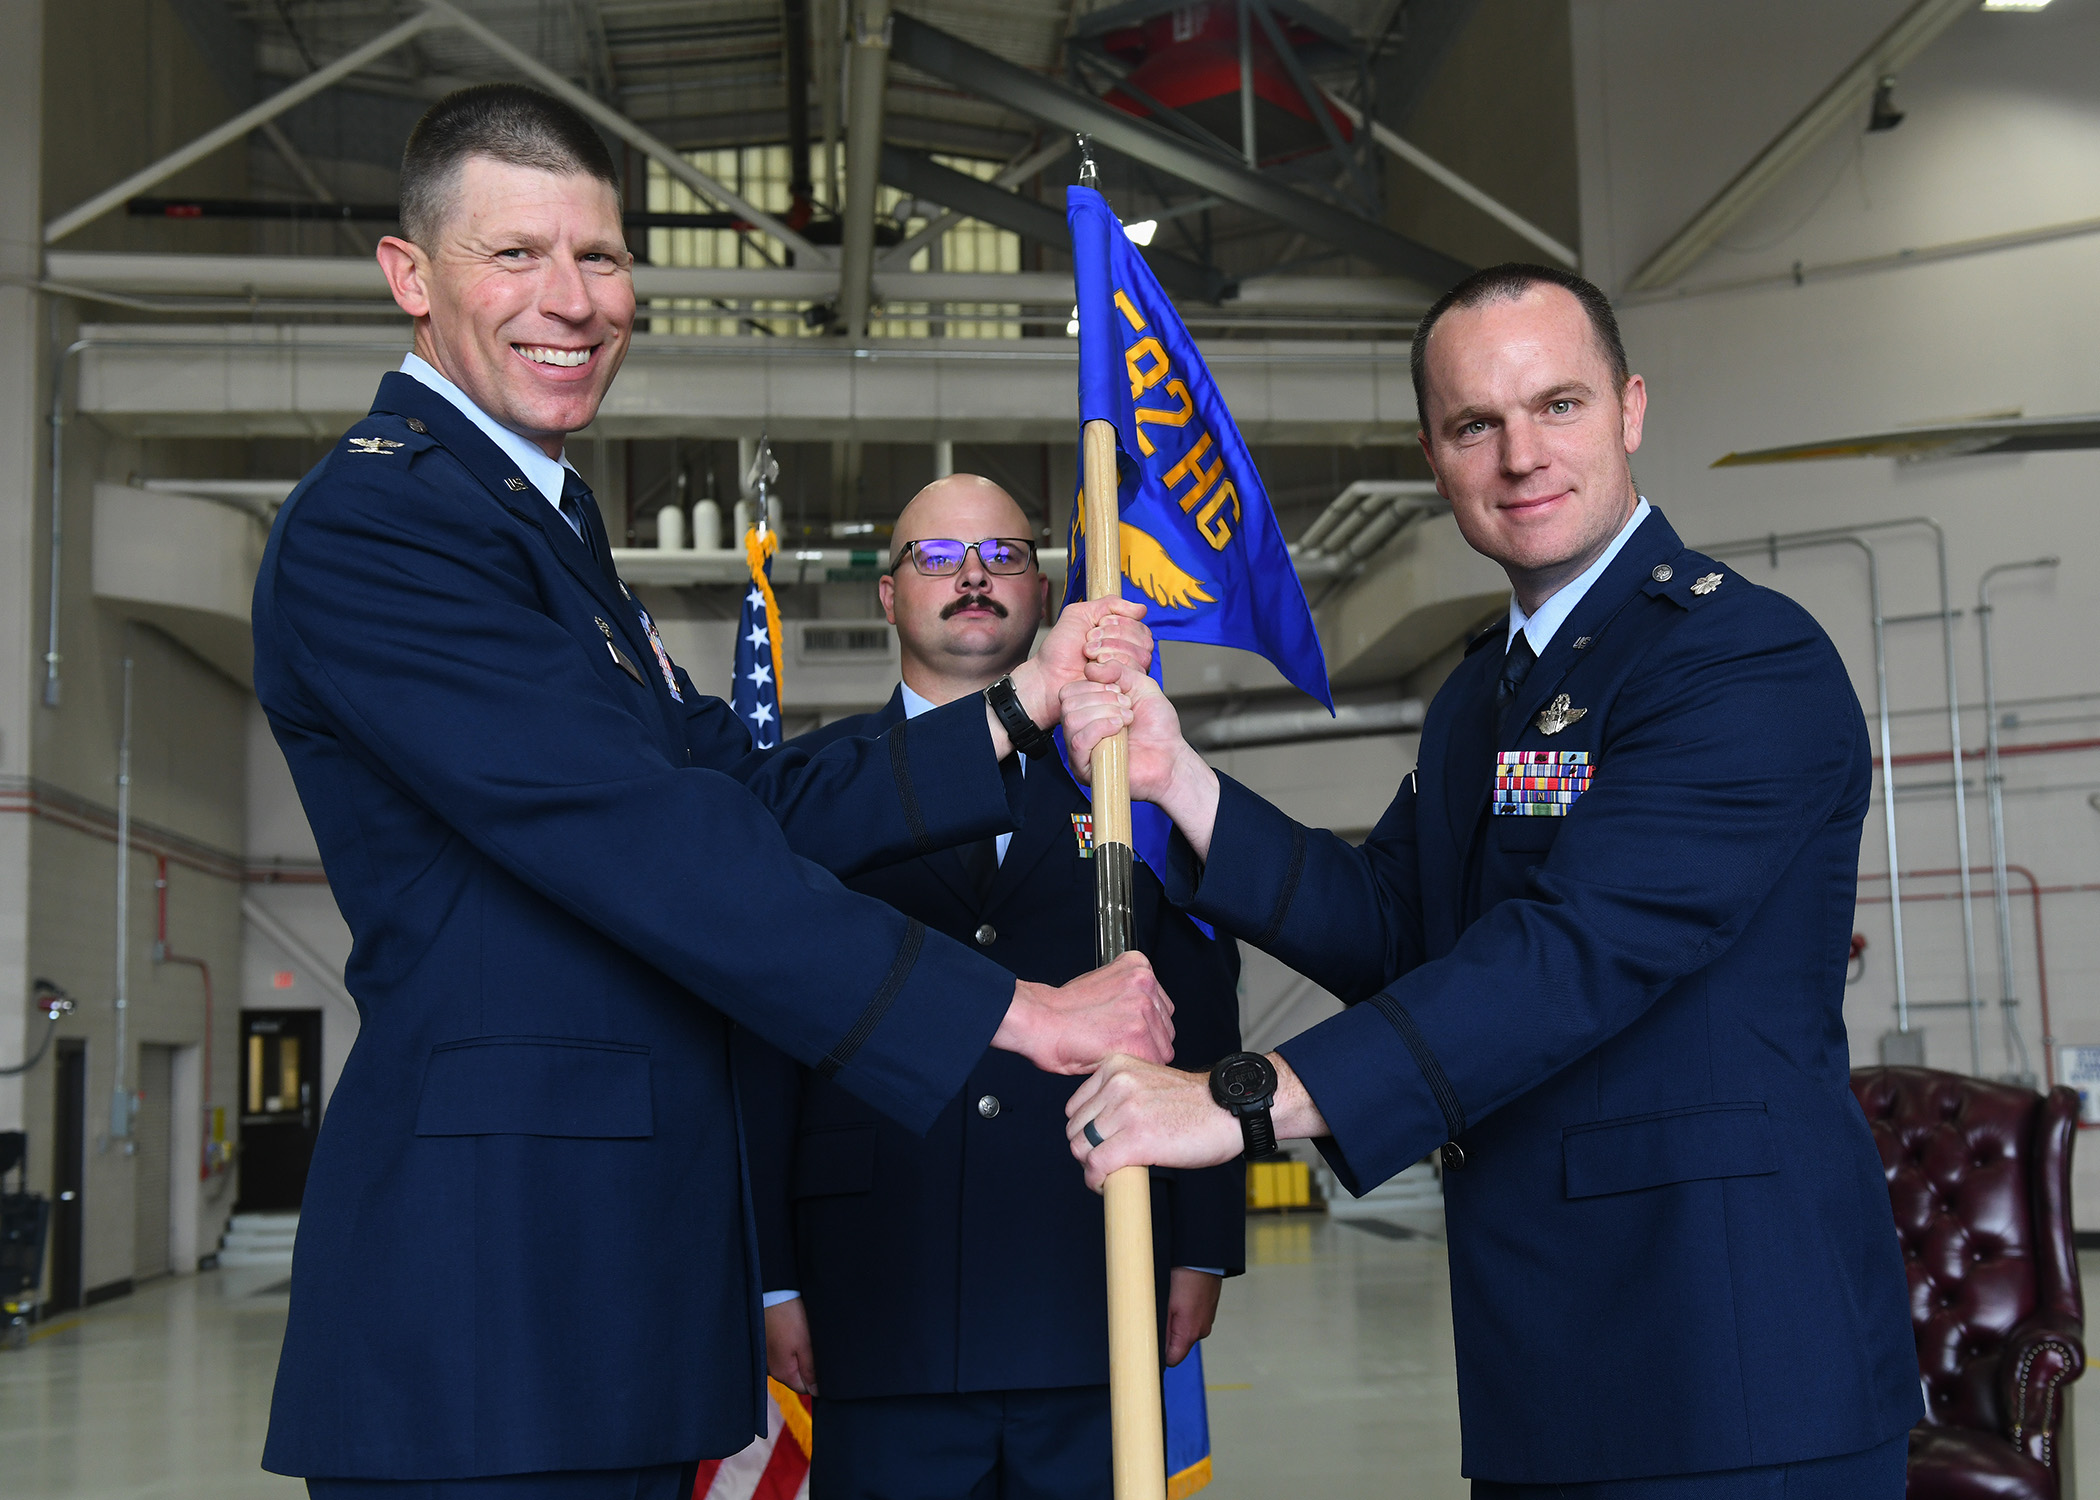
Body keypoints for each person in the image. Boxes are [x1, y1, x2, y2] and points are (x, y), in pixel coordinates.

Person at [251, 84, 1173, 1500]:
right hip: (492, 1320)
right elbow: (650, 844)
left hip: (606, 1301)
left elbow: (745, 791)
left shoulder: (542, 528)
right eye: (515, 254)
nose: (572, 299)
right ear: (410, 278)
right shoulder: (385, 522)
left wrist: (1018, 707)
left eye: (601, 256)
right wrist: (1022, 1013)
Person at [1058, 264, 1918, 1499]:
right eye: (1476, 424)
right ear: (1433, 455)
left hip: (1731, 1369)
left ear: (1629, 409)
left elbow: (1572, 955)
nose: (1521, 456)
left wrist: (1242, 1102)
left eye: (1558, 405)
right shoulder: (1479, 697)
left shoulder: (1741, 658)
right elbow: (1397, 925)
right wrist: (1177, 779)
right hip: (1543, 1366)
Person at [736, 475, 1246, 1500]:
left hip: (1087, 1270)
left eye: (1003, 555)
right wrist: (772, 1274)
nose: (972, 577)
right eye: (937, 557)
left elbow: (1197, 1001)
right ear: (889, 595)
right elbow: (760, 1036)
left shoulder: (1126, 777)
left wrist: (1202, 1244)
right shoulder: (810, 788)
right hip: (877, 1287)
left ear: (1044, 590)